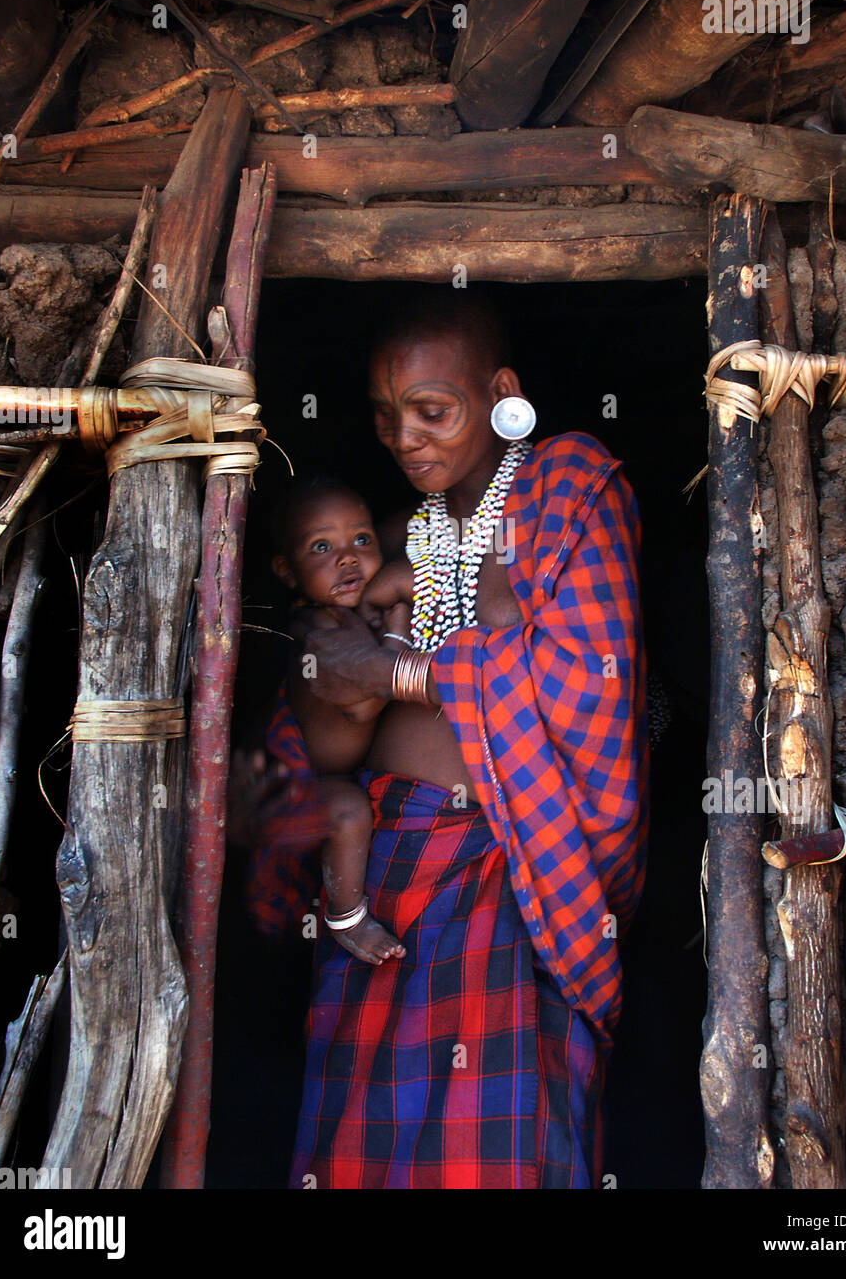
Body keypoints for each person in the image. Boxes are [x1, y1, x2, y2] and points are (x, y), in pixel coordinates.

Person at [242, 292, 649, 1189]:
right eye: (388, 419)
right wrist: (336, 686)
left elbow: (586, 689)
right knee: (364, 1147)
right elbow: (325, 723)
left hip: (518, 876)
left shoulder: (569, 494)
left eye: (434, 411)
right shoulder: (385, 543)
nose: (406, 440)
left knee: (499, 1157)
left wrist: (402, 676)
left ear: (502, 392)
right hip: (384, 880)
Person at [266, 476, 411, 965]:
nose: (348, 558)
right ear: (287, 572)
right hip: (307, 782)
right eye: (322, 546)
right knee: (348, 812)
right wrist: (396, 640)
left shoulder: (348, 614)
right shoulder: (314, 628)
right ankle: (347, 920)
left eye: (361, 540)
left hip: (345, 768)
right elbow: (363, 704)